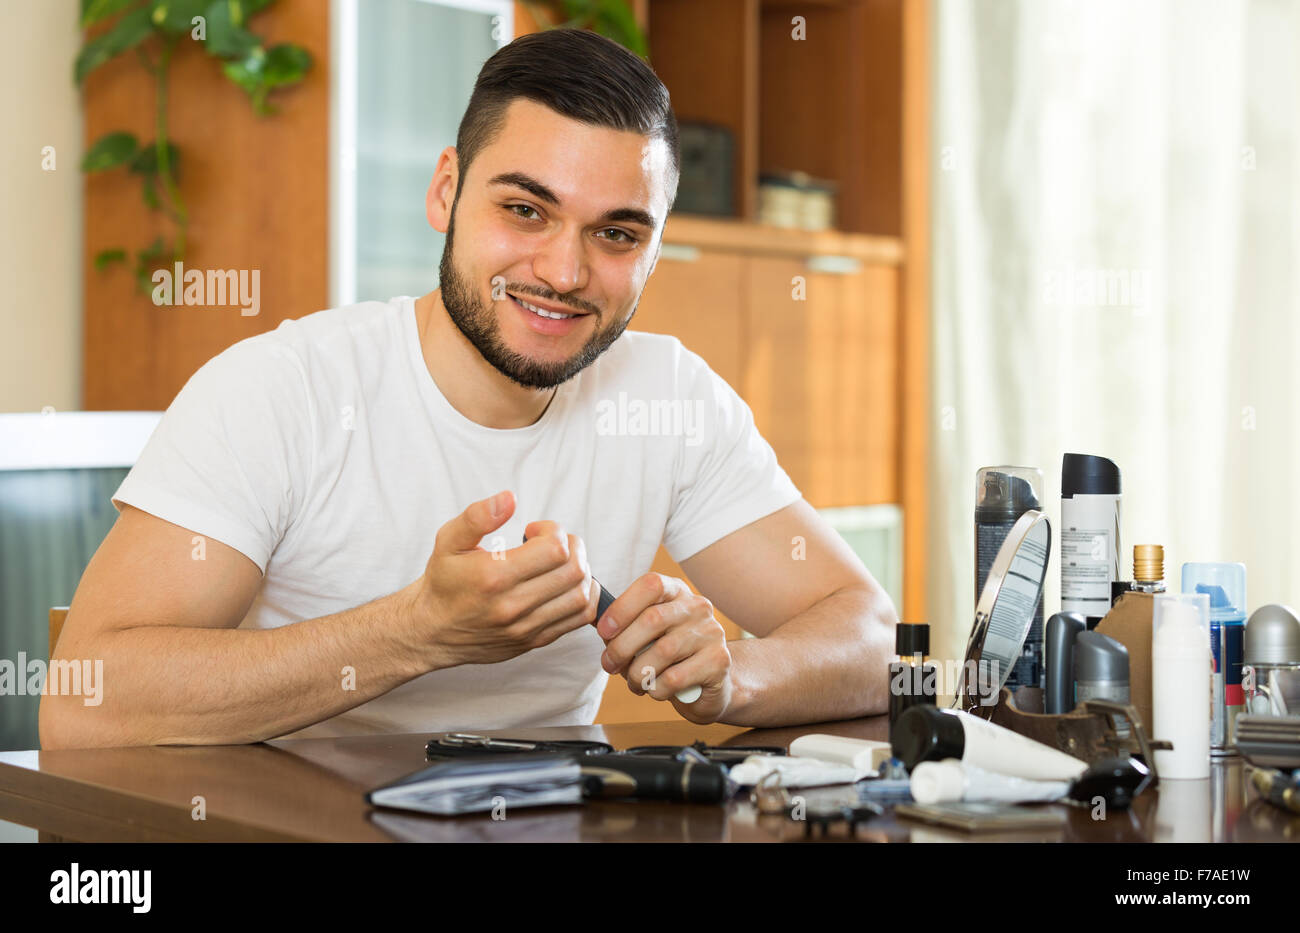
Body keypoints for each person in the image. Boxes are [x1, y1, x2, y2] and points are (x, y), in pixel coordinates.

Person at [40, 28, 897, 748]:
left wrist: (732, 677)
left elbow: (870, 634)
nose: (564, 270)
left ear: (654, 251)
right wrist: (415, 632)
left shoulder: (669, 397)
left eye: (617, 232)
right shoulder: (280, 390)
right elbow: (82, 699)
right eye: (525, 209)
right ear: (447, 191)